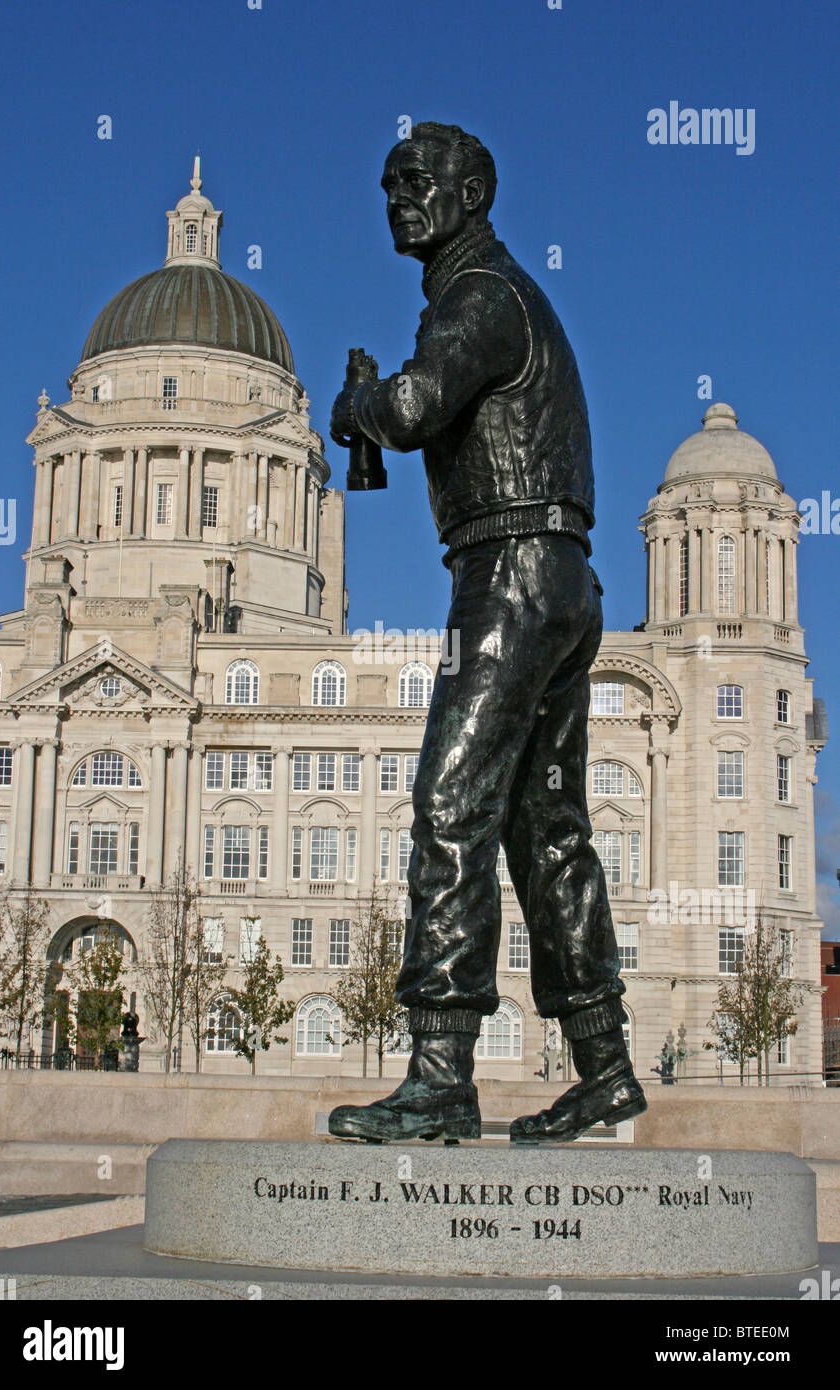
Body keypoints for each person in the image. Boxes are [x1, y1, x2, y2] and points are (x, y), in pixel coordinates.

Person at [328, 122, 646, 1144]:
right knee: (545, 827)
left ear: (472, 192)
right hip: (562, 580)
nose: (399, 201)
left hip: (507, 575)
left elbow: (416, 405)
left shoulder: (480, 296)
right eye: (389, 186)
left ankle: (439, 1072)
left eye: (417, 183)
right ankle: (603, 1063)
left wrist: (360, 406)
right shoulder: (498, 294)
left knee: (450, 803)